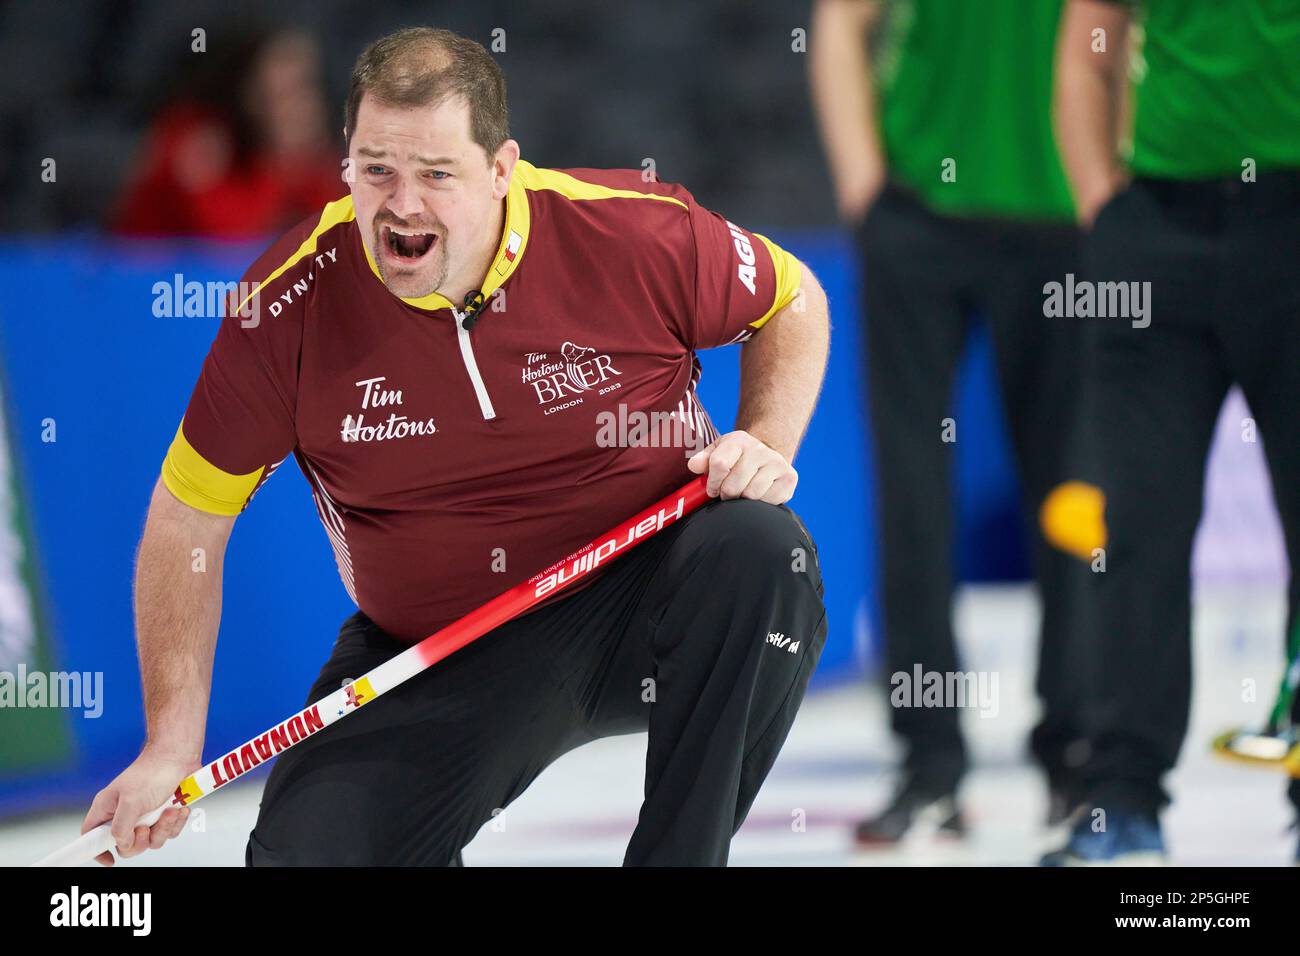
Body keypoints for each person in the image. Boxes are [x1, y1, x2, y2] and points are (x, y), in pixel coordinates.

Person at [80, 26, 830, 867]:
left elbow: (793, 298)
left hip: (643, 600)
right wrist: (168, 750)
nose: (402, 204)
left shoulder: (628, 233)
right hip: (439, 650)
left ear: (502, 169)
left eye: (436, 174)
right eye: (376, 171)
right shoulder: (287, 305)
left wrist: (766, 436)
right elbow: (187, 523)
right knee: (309, 856)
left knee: (764, 552)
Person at [809, 0, 1085, 845]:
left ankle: (1075, 762)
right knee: (914, 496)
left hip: (1065, 222)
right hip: (921, 218)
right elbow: (839, 26)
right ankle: (929, 764)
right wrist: (864, 188)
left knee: (1073, 499)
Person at [1045, 0, 1300, 864]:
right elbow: (1091, 46)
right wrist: (1102, 210)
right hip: (1155, 232)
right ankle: (1120, 799)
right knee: (1139, 533)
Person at [112, 27, 343, 238]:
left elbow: (337, 232)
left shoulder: (308, 155)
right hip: (144, 278)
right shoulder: (194, 134)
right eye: (279, 94)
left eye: (302, 89)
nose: (294, 107)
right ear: (246, 92)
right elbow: (227, 242)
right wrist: (282, 164)